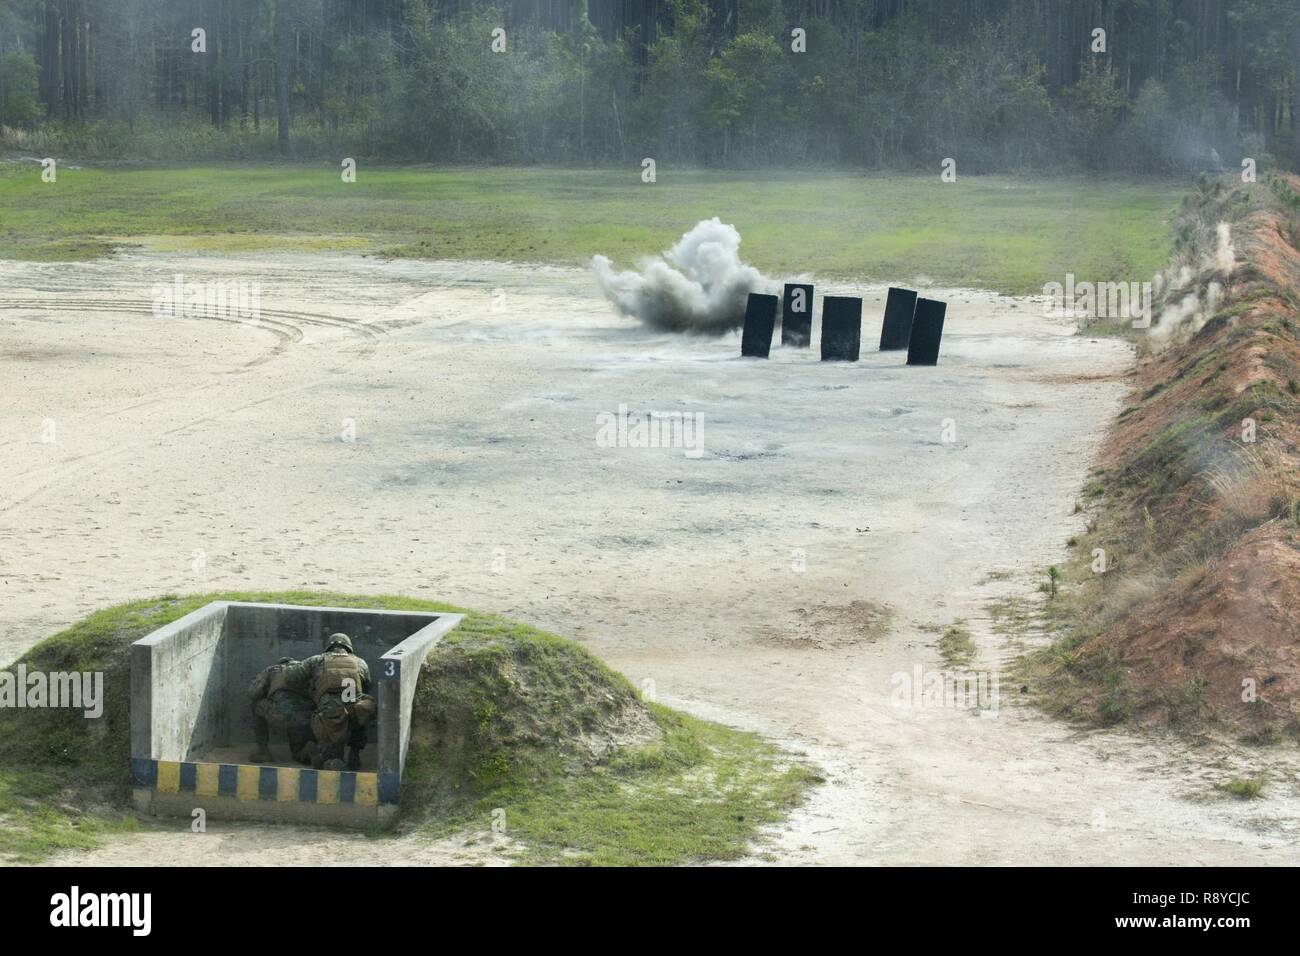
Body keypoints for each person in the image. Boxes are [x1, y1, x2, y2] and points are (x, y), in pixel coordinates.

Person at [288, 633, 377, 772]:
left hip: (330, 714)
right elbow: (366, 685)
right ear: (348, 647)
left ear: (329, 646)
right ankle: (355, 753)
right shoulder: (360, 662)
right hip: (355, 710)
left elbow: (292, 677)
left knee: (329, 760)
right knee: (362, 711)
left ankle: (327, 757)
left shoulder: (317, 660)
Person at [247, 657, 315, 764]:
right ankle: (307, 751)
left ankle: (264, 752)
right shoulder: (307, 669)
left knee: (255, 705)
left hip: (281, 716)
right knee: (298, 754)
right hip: (306, 720)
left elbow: (253, 693)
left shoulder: (273, 670)